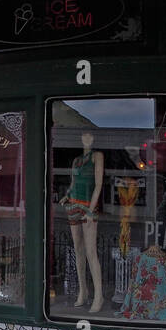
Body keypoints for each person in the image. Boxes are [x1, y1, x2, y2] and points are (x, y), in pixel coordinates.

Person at [60, 132, 106, 313]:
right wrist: (67, 195)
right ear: (81, 138)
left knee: (90, 251)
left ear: (94, 139)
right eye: (84, 136)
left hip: (88, 207)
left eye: (90, 136)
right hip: (73, 205)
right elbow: (73, 182)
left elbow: (98, 184)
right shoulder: (76, 160)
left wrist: (91, 208)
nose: (87, 139)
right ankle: (83, 291)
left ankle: (99, 295)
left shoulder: (97, 156)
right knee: (78, 250)